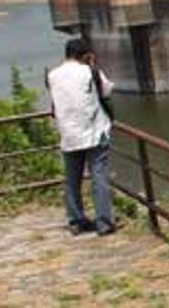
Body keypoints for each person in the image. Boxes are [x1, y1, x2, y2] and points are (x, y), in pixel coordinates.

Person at [46, 38, 116, 236]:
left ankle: (76, 221)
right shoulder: (90, 72)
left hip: (68, 134)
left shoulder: (52, 75)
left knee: (72, 179)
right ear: (86, 55)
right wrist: (93, 66)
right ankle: (104, 223)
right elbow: (107, 91)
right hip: (94, 133)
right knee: (99, 177)